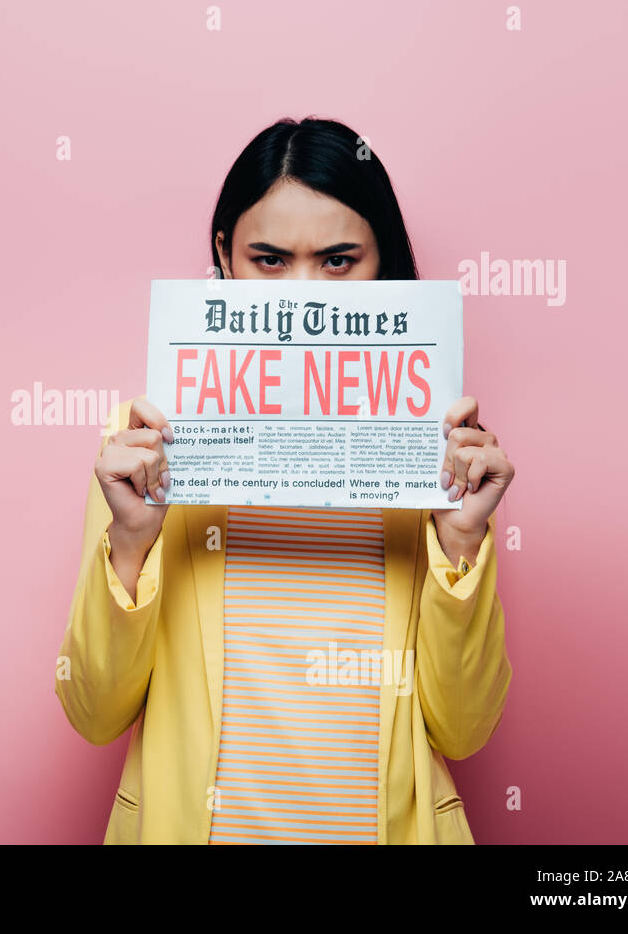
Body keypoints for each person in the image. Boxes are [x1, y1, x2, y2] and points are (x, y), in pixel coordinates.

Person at [55, 117, 514, 844]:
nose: (303, 298)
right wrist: (131, 544)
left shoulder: (436, 457)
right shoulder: (144, 450)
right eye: (269, 259)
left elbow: (463, 729)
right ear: (224, 257)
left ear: (384, 264)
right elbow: (92, 711)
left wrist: (461, 540)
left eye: (337, 261)